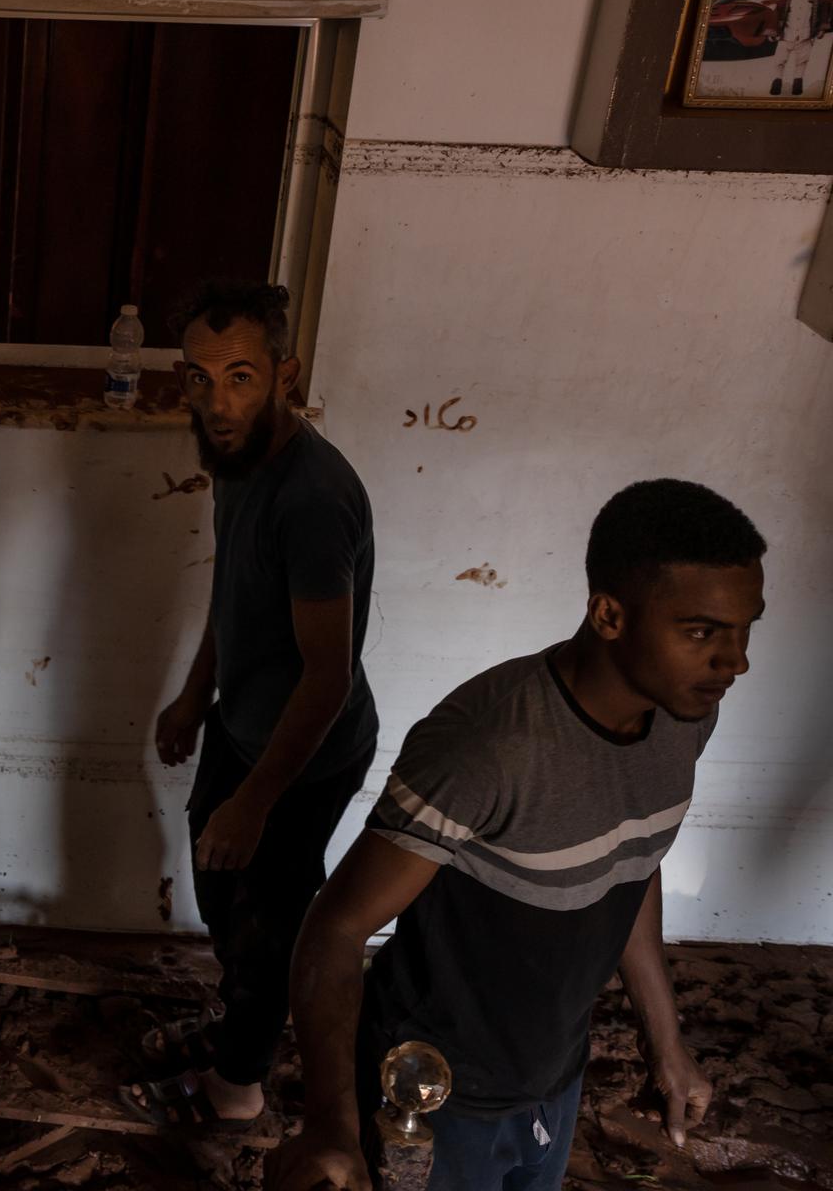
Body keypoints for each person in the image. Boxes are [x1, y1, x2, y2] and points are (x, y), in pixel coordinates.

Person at [270, 479, 767, 1191]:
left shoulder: (685, 717)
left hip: (553, 1076)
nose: (735, 661)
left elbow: (631, 858)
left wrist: (667, 1043)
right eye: (701, 632)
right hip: (434, 1093)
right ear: (609, 614)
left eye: (745, 629)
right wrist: (331, 1125)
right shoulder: (485, 747)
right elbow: (336, 929)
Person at [121, 280, 378, 1133]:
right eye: (201, 379)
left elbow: (328, 678)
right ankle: (239, 1024)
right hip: (243, 724)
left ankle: (238, 1091)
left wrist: (256, 800)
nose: (219, 402)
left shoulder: (312, 499)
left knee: (268, 927)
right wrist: (196, 695)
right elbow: (236, 595)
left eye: (240, 377)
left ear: (285, 376)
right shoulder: (238, 460)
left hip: (306, 753)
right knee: (222, 895)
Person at [768, 0, 831, 96]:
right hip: (787, 35)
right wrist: (773, 30)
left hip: (805, 36)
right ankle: (777, 81)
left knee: (802, 60)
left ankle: (798, 81)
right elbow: (778, 11)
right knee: (779, 59)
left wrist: (822, 28)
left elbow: (824, 12)